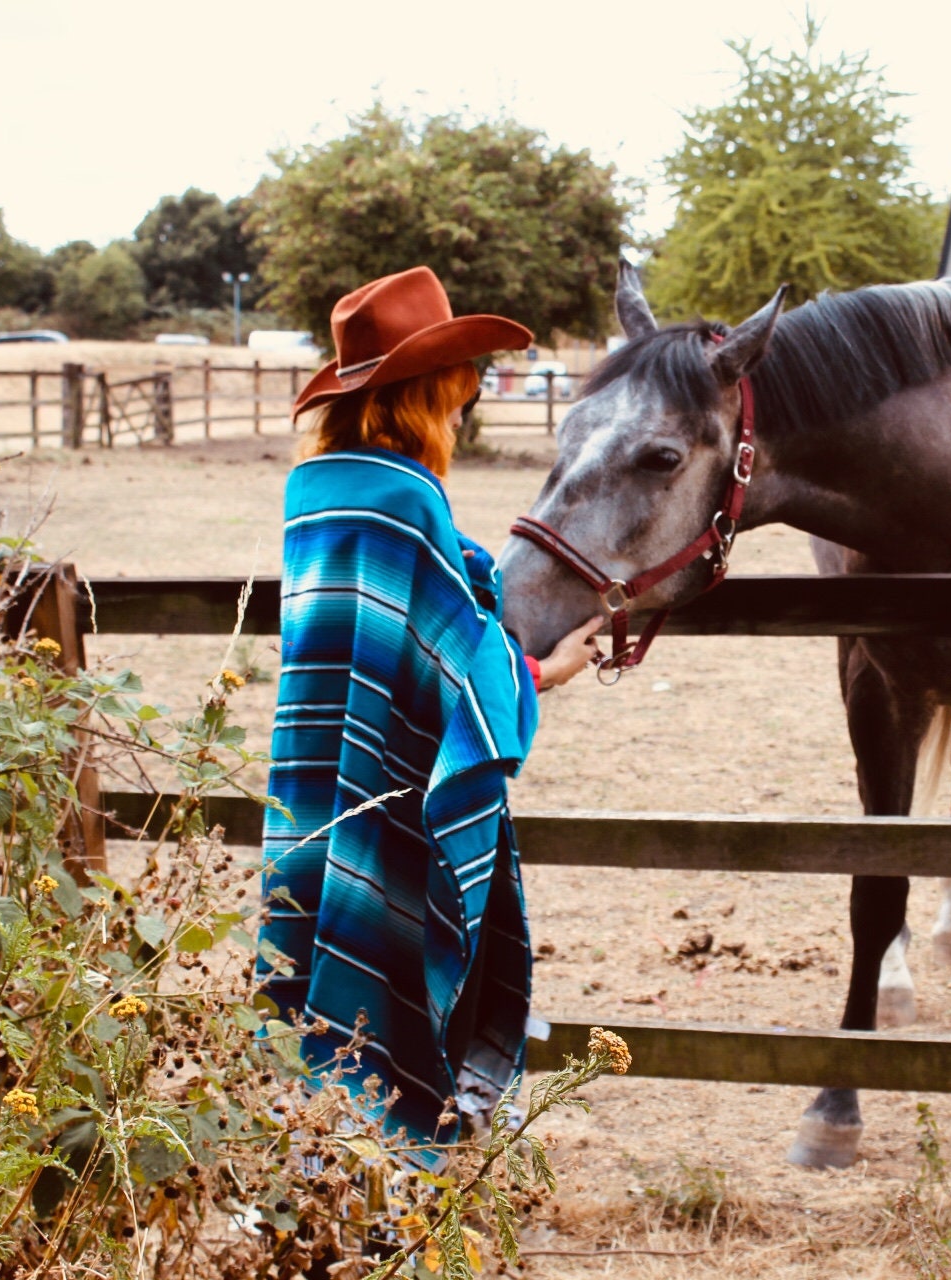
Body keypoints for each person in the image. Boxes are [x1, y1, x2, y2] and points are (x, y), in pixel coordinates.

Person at [257, 266, 601, 1156]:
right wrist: (550, 670)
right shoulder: (409, 499)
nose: (470, 399)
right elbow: (463, 671)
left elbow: (382, 640)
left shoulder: (311, 490)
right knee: (395, 961)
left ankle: (323, 1185)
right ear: (427, 391)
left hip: (316, 788)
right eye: (459, 385)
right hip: (396, 789)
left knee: (323, 990)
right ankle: (388, 1189)